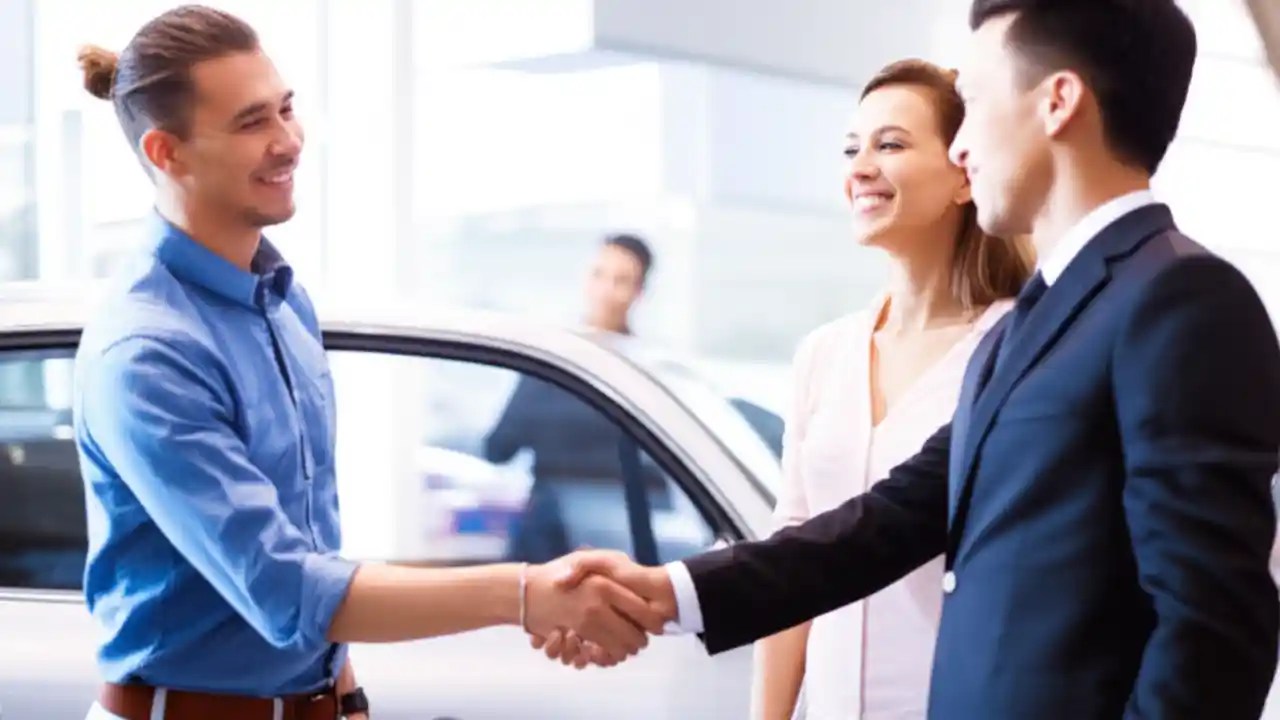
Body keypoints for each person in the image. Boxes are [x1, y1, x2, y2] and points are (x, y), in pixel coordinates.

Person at [541, 1, 1280, 718]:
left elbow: (1214, 628)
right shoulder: (1039, 315)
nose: (962, 147)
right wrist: (668, 591)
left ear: (1058, 102)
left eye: (976, 101)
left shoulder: (1180, 296)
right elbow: (887, 523)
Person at [72, 7, 663, 720]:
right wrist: (525, 595)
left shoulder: (282, 302)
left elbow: (313, 544)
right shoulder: (148, 351)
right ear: (167, 153)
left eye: (286, 108)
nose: (289, 140)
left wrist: (344, 698)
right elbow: (289, 588)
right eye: (252, 122)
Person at [753, 59, 1032, 720]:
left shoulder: (1017, 348)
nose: (861, 168)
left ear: (964, 173)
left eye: (891, 145)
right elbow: (791, 559)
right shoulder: (824, 354)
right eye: (853, 148)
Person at [584, 233, 653, 335]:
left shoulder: (639, 345)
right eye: (598, 274)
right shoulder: (562, 337)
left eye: (621, 281)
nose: (606, 290)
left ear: (639, 291)